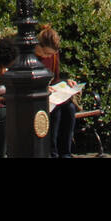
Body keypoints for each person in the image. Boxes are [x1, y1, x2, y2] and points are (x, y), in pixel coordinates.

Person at [35, 26, 78, 157]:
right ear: (38, 45)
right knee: (56, 111)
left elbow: (55, 79)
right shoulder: (30, 56)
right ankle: (53, 153)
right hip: (38, 98)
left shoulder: (53, 56)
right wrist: (43, 87)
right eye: (46, 53)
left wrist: (66, 83)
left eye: (51, 54)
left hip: (52, 95)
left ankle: (66, 153)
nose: (48, 56)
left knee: (70, 108)